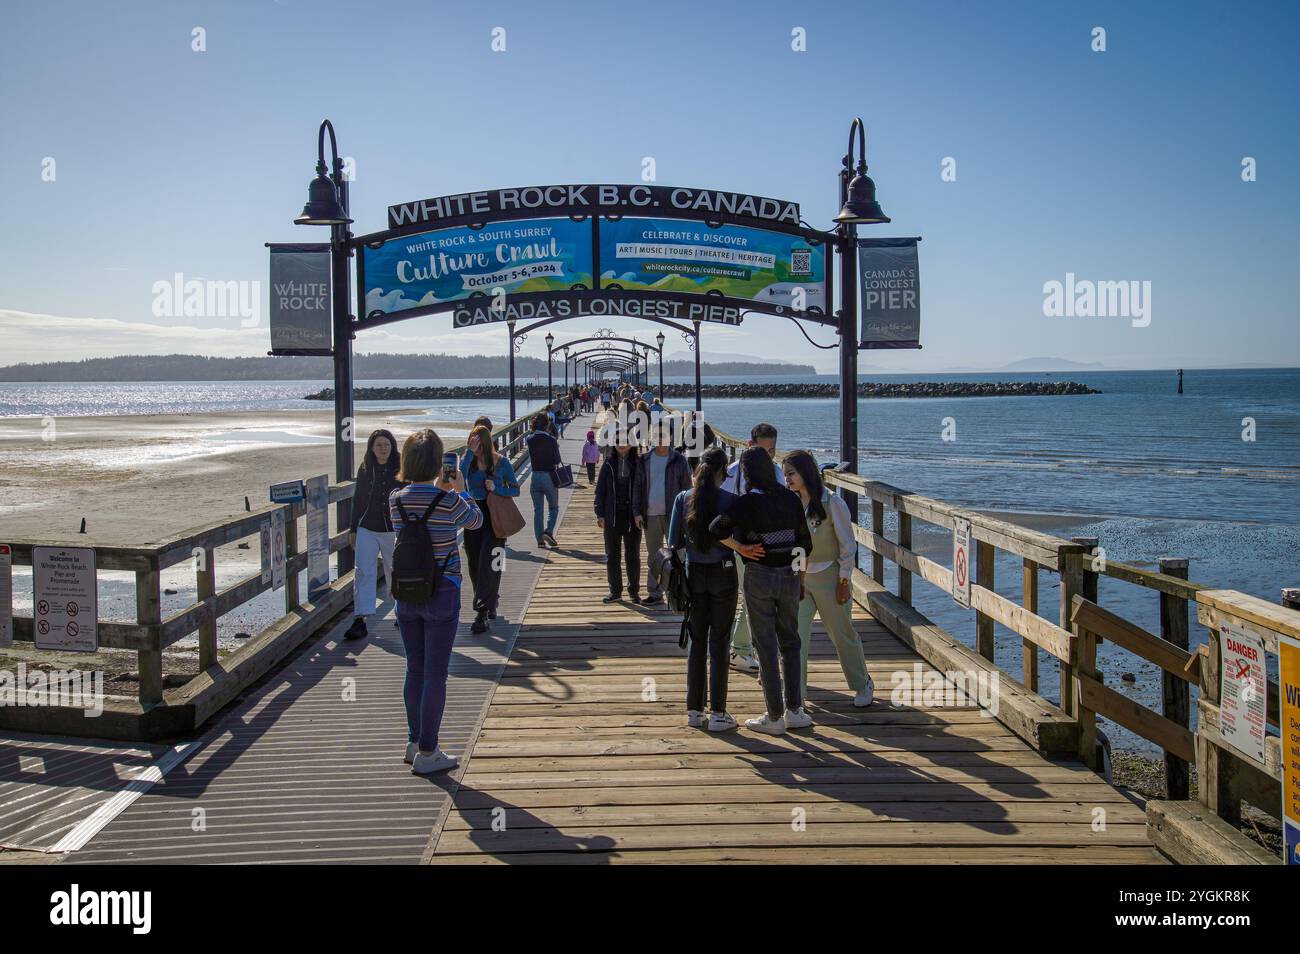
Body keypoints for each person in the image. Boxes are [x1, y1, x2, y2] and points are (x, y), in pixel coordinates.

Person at [389, 428, 483, 774]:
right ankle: (429, 753)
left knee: (414, 669)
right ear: (438, 464)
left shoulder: (395, 499)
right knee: (435, 675)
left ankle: (414, 742)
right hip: (442, 589)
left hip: (407, 591)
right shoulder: (447, 500)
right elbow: (475, 521)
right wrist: (462, 489)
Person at [710, 447, 812, 736]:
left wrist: (741, 548)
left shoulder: (745, 503)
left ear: (746, 473)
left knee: (765, 645)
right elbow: (805, 545)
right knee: (791, 641)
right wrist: (800, 579)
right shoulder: (791, 500)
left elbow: (715, 528)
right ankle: (796, 710)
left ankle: (774, 716)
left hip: (760, 576)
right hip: (791, 574)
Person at [782, 450, 875, 707]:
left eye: (791, 473)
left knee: (841, 634)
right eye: (785, 474)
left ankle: (861, 683)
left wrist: (844, 580)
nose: (787, 478)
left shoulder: (832, 502)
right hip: (799, 578)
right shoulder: (790, 502)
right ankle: (795, 693)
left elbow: (848, 545)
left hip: (830, 577)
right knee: (796, 636)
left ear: (805, 473)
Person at [668, 447, 741, 732]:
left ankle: (694, 711)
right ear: (724, 471)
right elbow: (739, 539)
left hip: (693, 575)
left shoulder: (683, 499)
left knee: (697, 641)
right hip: (723, 574)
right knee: (720, 642)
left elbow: (674, 543)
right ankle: (719, 713)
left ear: (699, 468)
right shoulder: (731, 501)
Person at [725, 423, 786, 673]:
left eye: (772, 451)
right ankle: (743, 650)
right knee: (752, 598)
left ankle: (742, 649)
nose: (768, 457)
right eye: (764, 451)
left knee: (757, 600)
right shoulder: (733, 472)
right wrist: (736, 545)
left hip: (771, 547)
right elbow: (722, 513)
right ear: (750, 446)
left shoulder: (777, 472)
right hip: (744, 547)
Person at [460, 423, 520, 634]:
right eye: (471, 440)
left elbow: (516, 489)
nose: (474, 443)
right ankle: (488, 599)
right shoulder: (469, 461)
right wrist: (468, 453)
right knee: (474, 561)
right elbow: (457, 478)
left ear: (485, 441)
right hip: (473, 514)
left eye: (477, 440)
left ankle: (482, 611)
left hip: (495, 514)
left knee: (493, 561)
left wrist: (497, 487)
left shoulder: (501, 462)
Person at [345, 429, 403, 640]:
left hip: (393, 529)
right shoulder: (365, 468)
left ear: (392, 446)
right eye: (378, 445)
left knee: (394, 571)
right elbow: (358, 499)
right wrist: (352, 529)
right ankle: (360, 619)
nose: (383, 448)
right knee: (363, 572)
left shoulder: (400, 468)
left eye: (386, 444)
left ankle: (401, 611)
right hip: (367, 528)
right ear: (371, 447)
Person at [638, 418, 692, 605]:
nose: (660, 438)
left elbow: (688, 490)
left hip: (674, 516)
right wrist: (637, 512)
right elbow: (638, 487)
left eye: (664, 435)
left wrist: (687, 516)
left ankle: (679, 591)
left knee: (678, 554)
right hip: (650, 514)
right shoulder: (644, 460)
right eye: (656, 434)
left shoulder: (680, 461)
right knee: (653, 556)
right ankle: (654, 593)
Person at [594, 431, 645, 603]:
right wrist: (599, 513)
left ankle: (634, 591)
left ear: (632, 444)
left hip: (632, 517)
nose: (622, 444)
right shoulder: (608, 464)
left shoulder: (638, 464)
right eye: (618, 441)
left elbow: (643, 489)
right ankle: (615, 591)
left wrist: (641, 512)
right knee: (612, 556)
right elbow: (600, 490)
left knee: (633, 556)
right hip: (612, 516)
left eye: (625, 441)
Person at [525, 412, 562, 548]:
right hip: (549, 476)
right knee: (554, 507)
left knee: (538, 510)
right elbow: (556, 460)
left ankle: (540, 541)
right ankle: (549, 531)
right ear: (547, 424)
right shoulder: (552, 440)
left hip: (535, 476)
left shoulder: (529, 439)